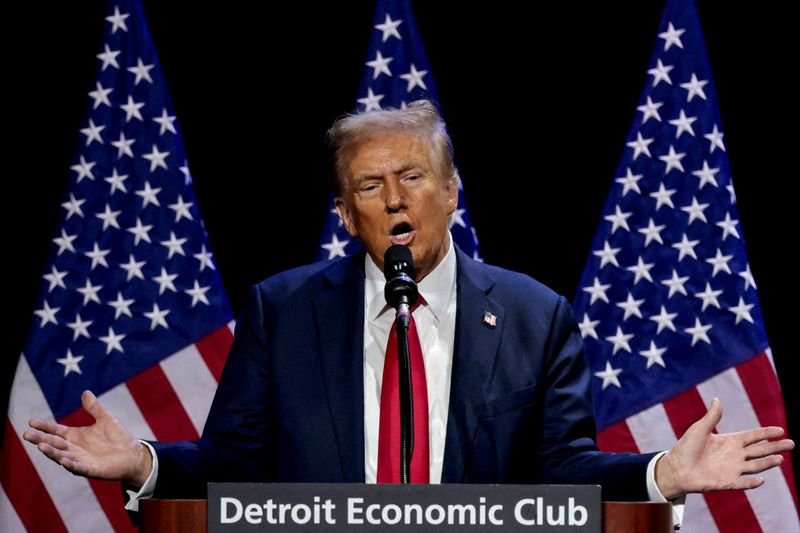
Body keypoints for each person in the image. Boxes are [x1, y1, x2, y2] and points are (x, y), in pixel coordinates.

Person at [24, 101, 793, 515]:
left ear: (453, 191)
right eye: (369, 185)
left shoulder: (534, 317)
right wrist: (144, 462)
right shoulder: (283, 311)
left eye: (413, 175)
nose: (393, 198)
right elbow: (236, 463)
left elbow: (563, 470)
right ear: (344, 213)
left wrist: (663, 471)